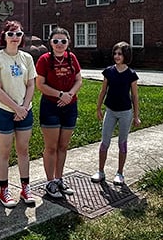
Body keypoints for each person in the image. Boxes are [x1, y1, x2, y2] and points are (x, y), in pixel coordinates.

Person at [0, 20, 37, 208]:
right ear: (4, 36)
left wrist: (23, 107)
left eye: (18, 34)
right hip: (4, 112)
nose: (15, 38)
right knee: (4, 152)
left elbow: (31, 84)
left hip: (25, 110)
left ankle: (25, 188)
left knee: (23, 151)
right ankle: (4, 191)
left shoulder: (27, 59)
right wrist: (16, 108)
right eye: (11, 34)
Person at [35, 27, 83, 199]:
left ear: (68, 42)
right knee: (51, 147)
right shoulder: (44, 60)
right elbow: (40, 84)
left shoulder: (72, 58)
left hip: (70, 107)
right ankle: (50, 182)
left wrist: (69, 95)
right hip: (50, 106)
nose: (59, 44)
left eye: (63, 41)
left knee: (63, 146)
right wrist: (60, 95)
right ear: (51, 43)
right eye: (56, 41)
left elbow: (79, 79)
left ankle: (59, 178)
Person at [91, 41, 141, 186]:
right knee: (104, 142)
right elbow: (103, 91)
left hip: (125, 112)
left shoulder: (131, 74)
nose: (117, 56)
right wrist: (98, 108)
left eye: (120, 53)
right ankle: (100, 171)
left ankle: (120, 173)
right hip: (110, 111)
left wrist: (136, 116)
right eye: (115, 53)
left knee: (122, 143)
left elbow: (135, 96)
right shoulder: (109, 71)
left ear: (126, 55)